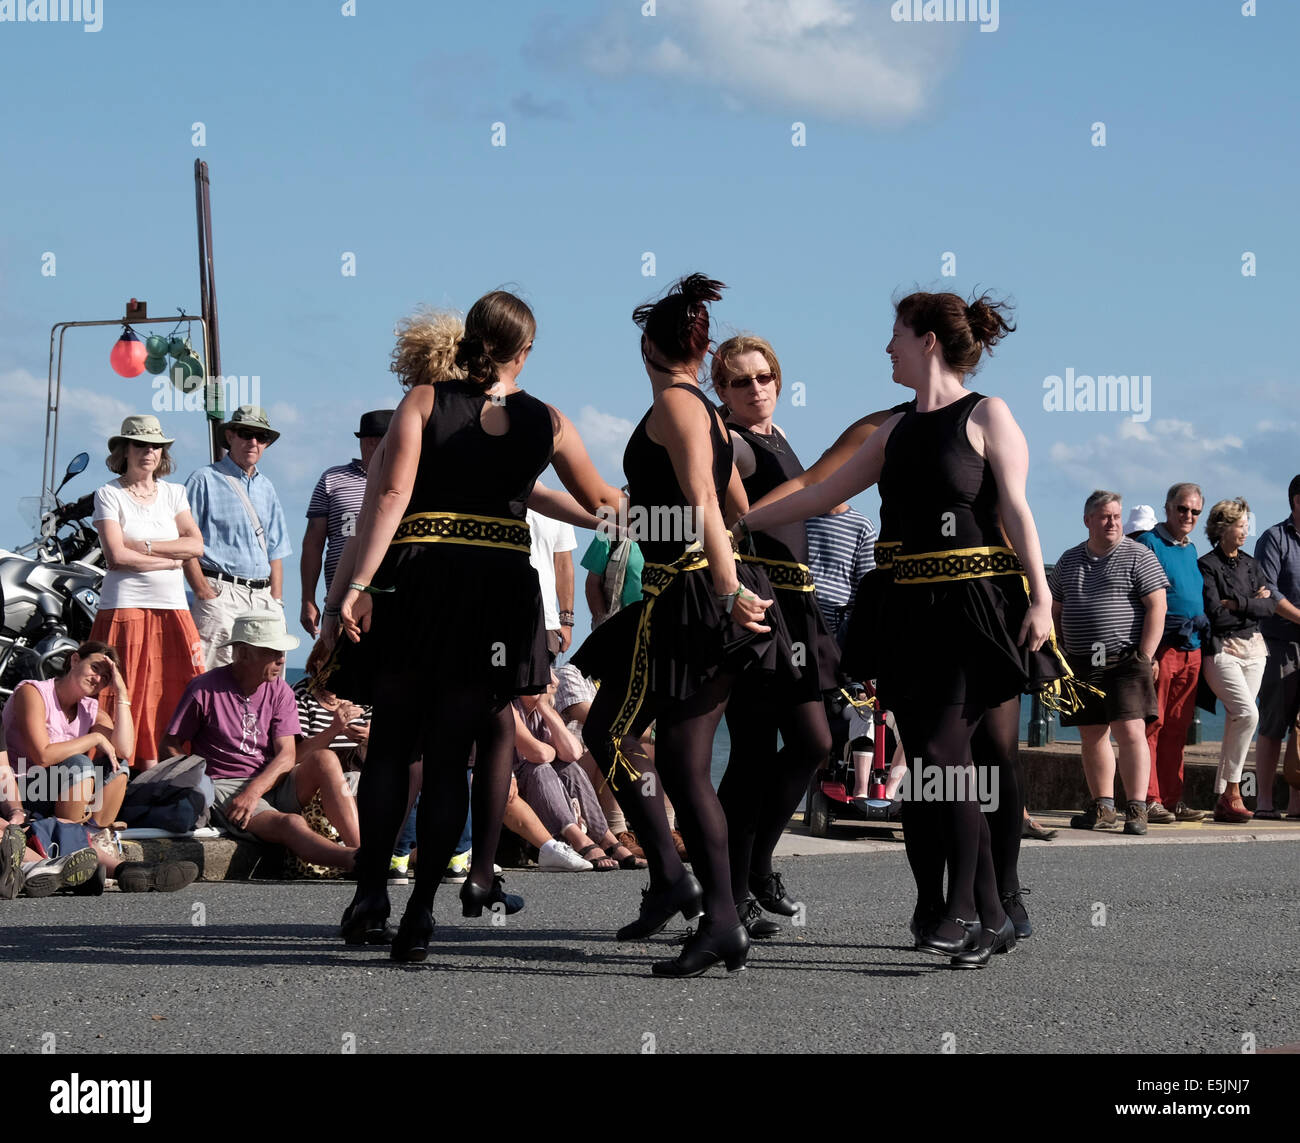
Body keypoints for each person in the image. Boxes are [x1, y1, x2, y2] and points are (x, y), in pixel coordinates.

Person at [741, 290, 1062, 968]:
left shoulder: (987, 414)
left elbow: (1018, 510)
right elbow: (820, 494)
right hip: (906, 610)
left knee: (951, 756)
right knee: (928, 766)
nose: (888, 347)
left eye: (896, 334)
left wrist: (1041, 597)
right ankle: (989, 914)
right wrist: (733, 523)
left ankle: (969, 907)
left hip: (971, 609)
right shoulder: (893, 430)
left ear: (929, 342)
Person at [313, 292, 627, 961]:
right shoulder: (548, 419)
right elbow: (602, 502)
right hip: (498, 590)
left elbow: (389, 497)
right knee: (455, 752)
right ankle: (422, 910)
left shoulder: (425, 402)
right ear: (526, 350)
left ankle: (372, 890)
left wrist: (357, 588)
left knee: (394, 741)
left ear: (466, 338)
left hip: (420, 580)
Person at [573, 274, 783, 978]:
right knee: (675, 759)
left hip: (690, 595)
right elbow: (733, 502)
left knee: (631, 742)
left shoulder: (674, 406)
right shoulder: (711, 414)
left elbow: (701, 503)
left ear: (647, 346)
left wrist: (727, 586)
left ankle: (699, 898)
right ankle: (697, 898)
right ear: (702, 347)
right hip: (698, 588)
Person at [711, 333, 839, 938]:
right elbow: (728, 518)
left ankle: (757, 865)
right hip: (759, 602)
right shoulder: (730, 441)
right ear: (722, 391)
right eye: (741, 381)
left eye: (763, 377)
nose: (756, 389)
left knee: (814, 742)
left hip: (801, 603)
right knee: (753, 754)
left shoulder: (778, 436)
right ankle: (732, 896)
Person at [161, 614, 358, 870]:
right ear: (242, 653)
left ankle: (364, 850)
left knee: (326, 759)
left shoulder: (280, 690)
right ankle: (355, 861)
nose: (282, 659)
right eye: (271, 651)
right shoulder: (203, 689)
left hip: (268, 780)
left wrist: (254, 791)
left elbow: (287, 755)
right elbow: (169, 744)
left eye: (282, 651)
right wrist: (197, 785)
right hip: (225, 785)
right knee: (290, 824)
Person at [2, 643, 197, 893]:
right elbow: (42, 755)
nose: (98, 678)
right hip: (21, 789)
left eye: (106, 677)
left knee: (117, 766)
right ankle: (73, 847)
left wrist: (121, 694)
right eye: (95, 668)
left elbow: (124, 751)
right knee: (79, 764)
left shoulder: (91, 709)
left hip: (57, 791)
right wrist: (93, 739)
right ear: (74, 660)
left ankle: (93, 836)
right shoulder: (33, 692)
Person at [90, 415, 205, 771]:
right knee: (119, 691)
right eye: (141, 444)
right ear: (124, 449)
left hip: (171, 609)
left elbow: (197, 545)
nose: (149, 452)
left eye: (156, 445)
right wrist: (171, 561)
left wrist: (147, 546)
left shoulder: (175, 493)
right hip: (124, 607)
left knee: (171, 691)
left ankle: (164, 770)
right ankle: (114, 771)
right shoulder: (109, 493)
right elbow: (116, 556)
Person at [1048, 492, 1168, 835]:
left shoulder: (1139, 556)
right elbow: (1054, 608)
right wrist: (1060, 653)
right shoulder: (1069, 560)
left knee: (1130, 730)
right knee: (1092, 734)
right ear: (1088, 521)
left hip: (1125, 658)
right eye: (1104, 517)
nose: (1112, 522)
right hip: (1082, 661)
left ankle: (1137, 808)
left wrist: (1146, 655)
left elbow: (1157, 606)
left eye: (1116, 516)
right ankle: (1102, 805)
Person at [184, 406, 292, 669]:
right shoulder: (203, 480)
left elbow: (276, 550)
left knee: (268, 677)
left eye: (261, 437)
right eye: (246, 433)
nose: (253, 442)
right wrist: (203, 591)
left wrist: (276, 601)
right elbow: (183, 542)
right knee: (212, 680)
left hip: (263, 597)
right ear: (230, 436)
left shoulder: (267, 487)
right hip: (220, 593)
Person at [1134, 483, 1210, 823]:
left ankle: (1171, 797)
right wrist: (1147, 653)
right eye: (1182, 509)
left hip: (1191, 647)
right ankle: (1149, 797)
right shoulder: (1149, 543)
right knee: (1153, 724)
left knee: (1178, 728)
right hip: (1162, 647)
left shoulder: (1191, 549)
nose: (1188, 516)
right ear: (1167, 508)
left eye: (1195, 511)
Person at [512, 679, 643, 870]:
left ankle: (606, 838)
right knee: (540, 768)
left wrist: (544, 707)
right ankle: (579, 840)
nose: (551, 681)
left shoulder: (543, 710)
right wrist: (552, 751)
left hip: (540, 779)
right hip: (514, 780)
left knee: (569, 767)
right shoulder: (509, 707)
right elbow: (538, 754)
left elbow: (573, 753)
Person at [1198, 498, 1274, 822]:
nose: (1245, 531)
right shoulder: (1206, 565)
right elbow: (1215, 615)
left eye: (1246, 525)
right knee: (1247, 713)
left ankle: (1225, 799)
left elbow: (1269, 608)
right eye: (1240, 525)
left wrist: (1237, 604)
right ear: (1223, 527)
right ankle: (1232, 791)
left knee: (1236, 719)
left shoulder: (1250, 563)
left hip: (1255, 650)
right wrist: (1250, 604)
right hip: (1221, 650)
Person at [300, 409, 394, 638]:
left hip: (389, 594)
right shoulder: (332, 479)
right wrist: (308, 599)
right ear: (372, 443)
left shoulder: (401, 483)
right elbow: (313, 543)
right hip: (339, 599)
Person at [1251, 475, 1300, 818]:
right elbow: (1268, 589)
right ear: (1296, 500)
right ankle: (1264, 802)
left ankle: (1297, 803)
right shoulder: (1274, 538)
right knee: (1272, 724)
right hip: (1280, 643)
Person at [526, 495, 578, 661]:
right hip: (496, 614)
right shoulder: (492, 497)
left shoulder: (556, 505)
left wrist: (566, 621)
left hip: (545, 620)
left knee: (542, 686)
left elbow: (563, 566)